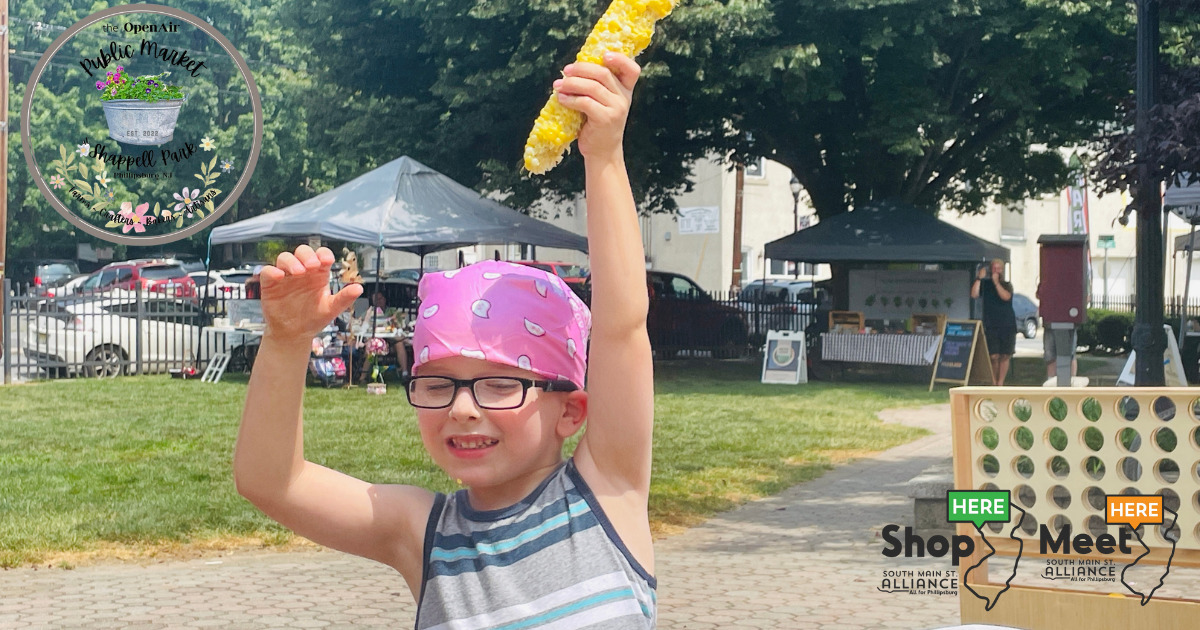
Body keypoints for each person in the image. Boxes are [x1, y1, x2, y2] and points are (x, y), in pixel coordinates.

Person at [233, 53, 656, 628]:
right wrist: (285, 344)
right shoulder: (422, 534)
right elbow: (272, 482)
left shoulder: (607, 493)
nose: (461, 409)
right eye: (437, 384)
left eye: (500, 384)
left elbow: (622, 325)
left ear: (572, 410)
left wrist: (603, 155)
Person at [970, 258, 1017, 385]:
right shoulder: (986, 285)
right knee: (994, 356)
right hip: (991, 324)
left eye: (999, 268)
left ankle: (1000, 382)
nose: (996, 271)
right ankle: (993, 380)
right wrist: (979, 278)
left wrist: (997, 283)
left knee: (1005, 355)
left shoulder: (1007, 285)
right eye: (994, 268)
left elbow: (1006, 297)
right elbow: (974, 294)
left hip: (1007, 324)